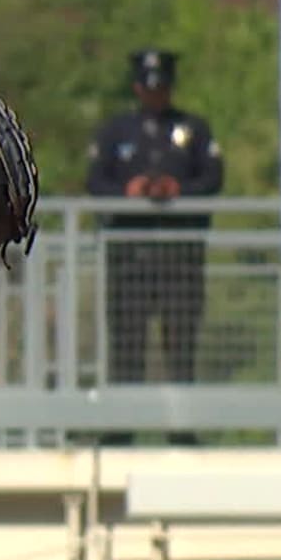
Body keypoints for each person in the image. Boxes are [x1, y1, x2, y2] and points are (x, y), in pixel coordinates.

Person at [86, 50, 223, 396]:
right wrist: (127, 192)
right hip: (129, 257)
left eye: (161, 88)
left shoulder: (193, 129)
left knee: (181, 343)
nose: (155, 96)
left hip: (179, 258)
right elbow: (96, 182)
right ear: (137, 88)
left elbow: (212, 179)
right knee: (127, 343)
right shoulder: (117, 132)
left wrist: (179, 191)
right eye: (149, 89)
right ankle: (122, 428)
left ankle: (182, 431)